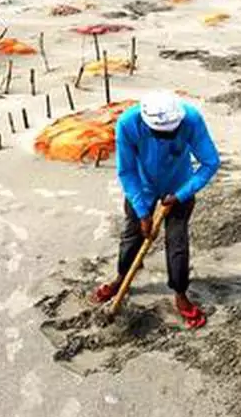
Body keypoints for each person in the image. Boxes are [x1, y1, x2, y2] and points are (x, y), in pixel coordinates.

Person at [91, 91, 220, 329]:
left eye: (171, 132)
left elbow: (211, 162)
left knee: (177, 241)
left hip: (180, 185)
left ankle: (180, 293)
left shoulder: (190, 119)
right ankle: (122, 277)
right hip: (142, 186)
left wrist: (181, 194)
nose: (167, 137)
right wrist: (142, 211)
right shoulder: (128, 123)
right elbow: (127, 171)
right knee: (132, 235)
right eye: (161, 133)